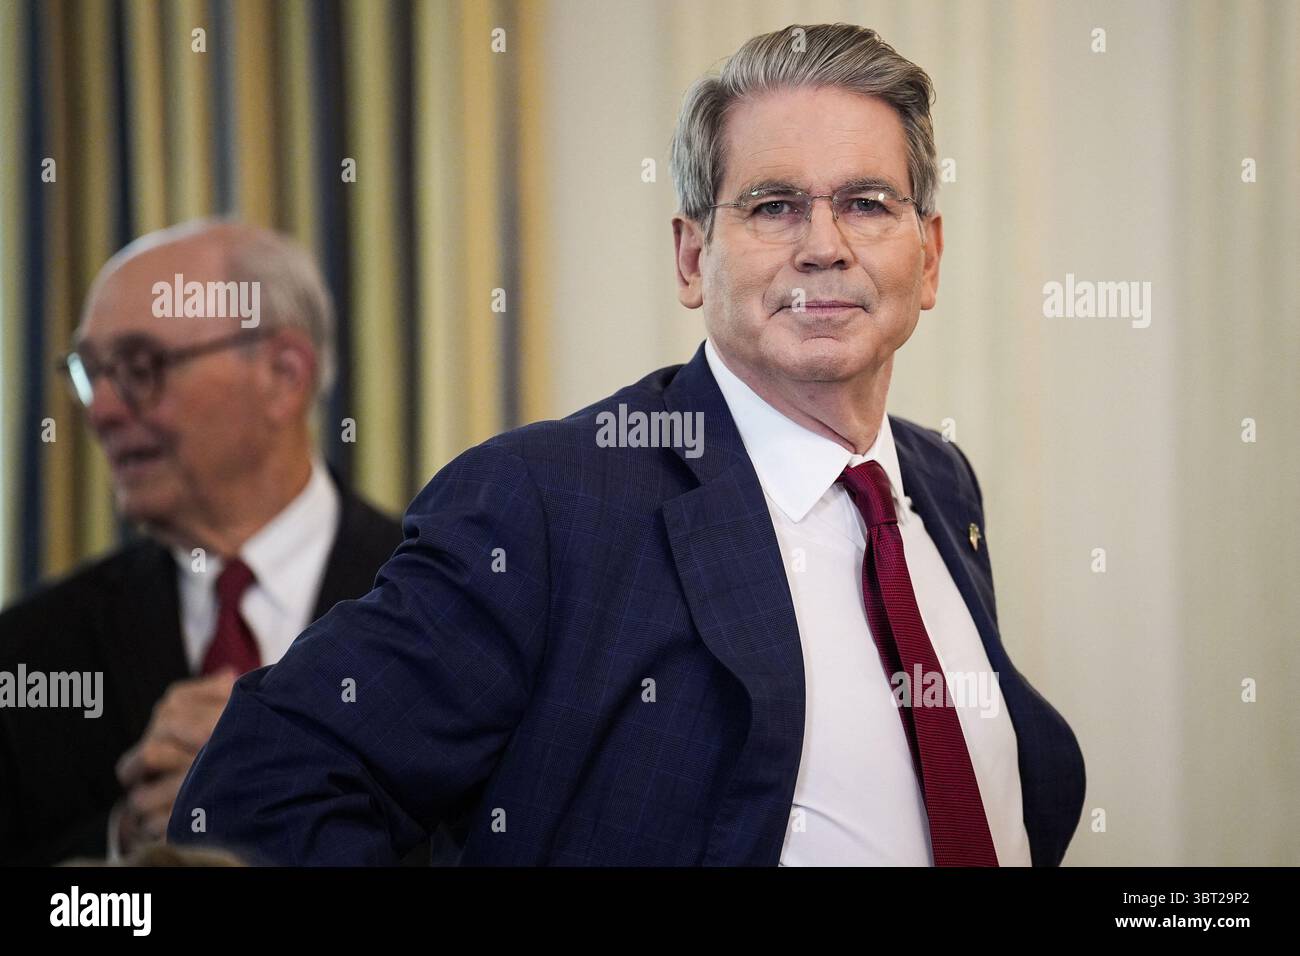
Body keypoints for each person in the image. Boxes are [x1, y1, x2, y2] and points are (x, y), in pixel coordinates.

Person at [168, 24, 1085, 866]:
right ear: (693, 258)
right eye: (772, 206)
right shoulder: (550, 500)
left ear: (927, 256)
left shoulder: (937, 483)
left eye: (867, 203)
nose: (823, 245)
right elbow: (261, 785)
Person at [0, 221, 405, 865]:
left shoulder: (443, 605)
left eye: (139, 367)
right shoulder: (30, 652)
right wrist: (129, 843)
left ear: (283, 373)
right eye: (90, 372)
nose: (101, 410)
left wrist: (289, 794)